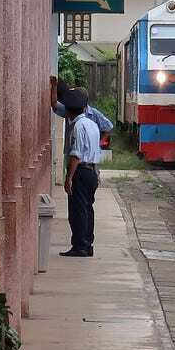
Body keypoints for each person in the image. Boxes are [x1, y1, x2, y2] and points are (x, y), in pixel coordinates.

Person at [60, 88, 102, 257]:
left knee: (78, 211)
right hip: (92, 171)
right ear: (84, 108)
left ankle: (80, 246)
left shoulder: (77, 126)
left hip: (81, 172)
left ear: (69, 112)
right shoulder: (92, 124)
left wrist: (69, 178)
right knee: (88, 209)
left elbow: (76, 154)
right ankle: (87, 243)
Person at [50, 76, 113, 162]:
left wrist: (98, 145)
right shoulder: (70, 110)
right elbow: (54, 105)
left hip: (89, 158)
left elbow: (108, 127)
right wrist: (54, 86)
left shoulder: (93, 114)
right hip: (72, 154)